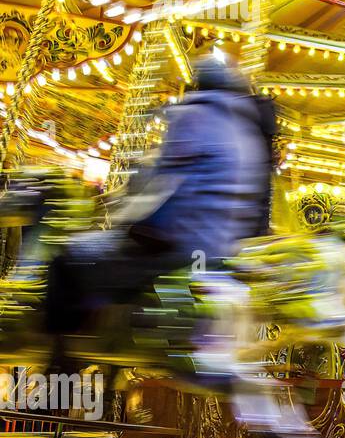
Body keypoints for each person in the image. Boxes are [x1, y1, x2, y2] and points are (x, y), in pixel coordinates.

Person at [49, 56, 275, 335]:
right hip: (223, 250)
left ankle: (67, 345)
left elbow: (163, 181)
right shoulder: (249, 130)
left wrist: (126, 220)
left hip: (183, 247)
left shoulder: (194, 114)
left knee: (71, 256)